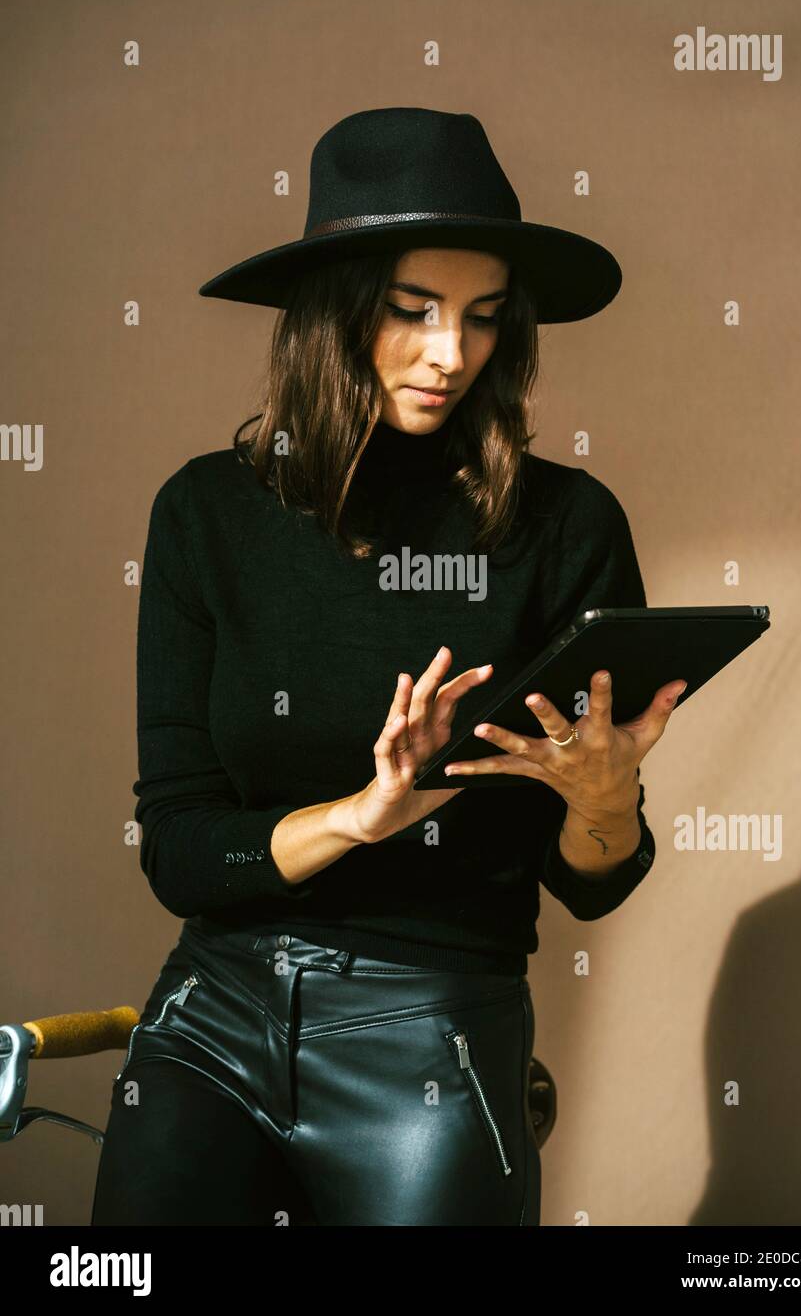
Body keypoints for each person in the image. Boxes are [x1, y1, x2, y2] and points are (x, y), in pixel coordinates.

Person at [90, 107, 684, 1228]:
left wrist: (604, 802)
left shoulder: (564, 526)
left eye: (482, 317)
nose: (450, 353)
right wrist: (358, 817)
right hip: (208, 1019)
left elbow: (595, 876)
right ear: (335, 310)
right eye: (413, 310)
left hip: (431, 1031)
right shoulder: (206, 514)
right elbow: (178, 848)